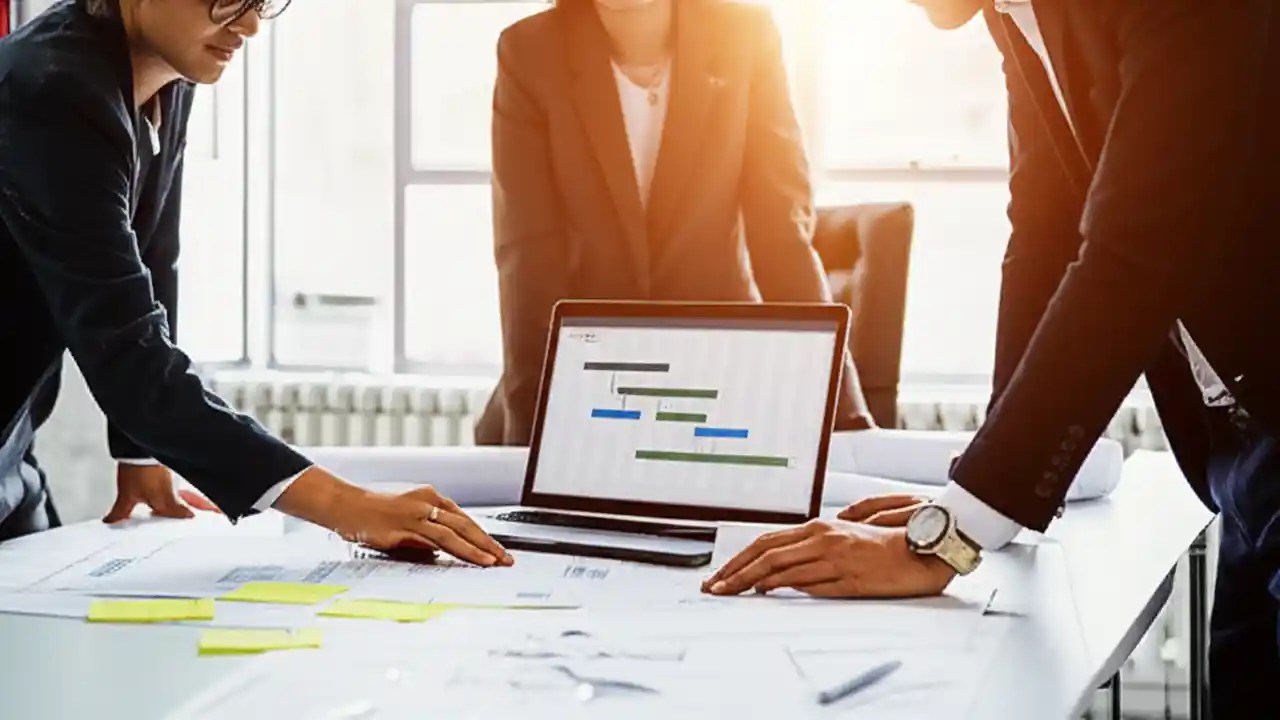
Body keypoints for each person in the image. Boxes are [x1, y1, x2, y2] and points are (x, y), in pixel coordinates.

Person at [705, 0, 1279, 713]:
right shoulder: (1019, 15)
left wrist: (954, 534)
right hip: (1237, 441)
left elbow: (1136, 255)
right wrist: (975, 501)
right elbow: (1043, 233)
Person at [0, 0, 512, 569]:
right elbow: (129, 355)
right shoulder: (50, 92)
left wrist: (140, 452)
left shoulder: (165, 69)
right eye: (226, 0)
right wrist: (349, 506)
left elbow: (151, 255)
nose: (246, 26)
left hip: (12, 467)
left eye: (260, 3)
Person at [475, 0, 875, 447]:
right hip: (590, 375)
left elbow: (781, 235)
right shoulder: (530, 50)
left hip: (718, 369)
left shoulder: (745, 34)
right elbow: (527, 255)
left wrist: (845, 420)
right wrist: (529, 432)